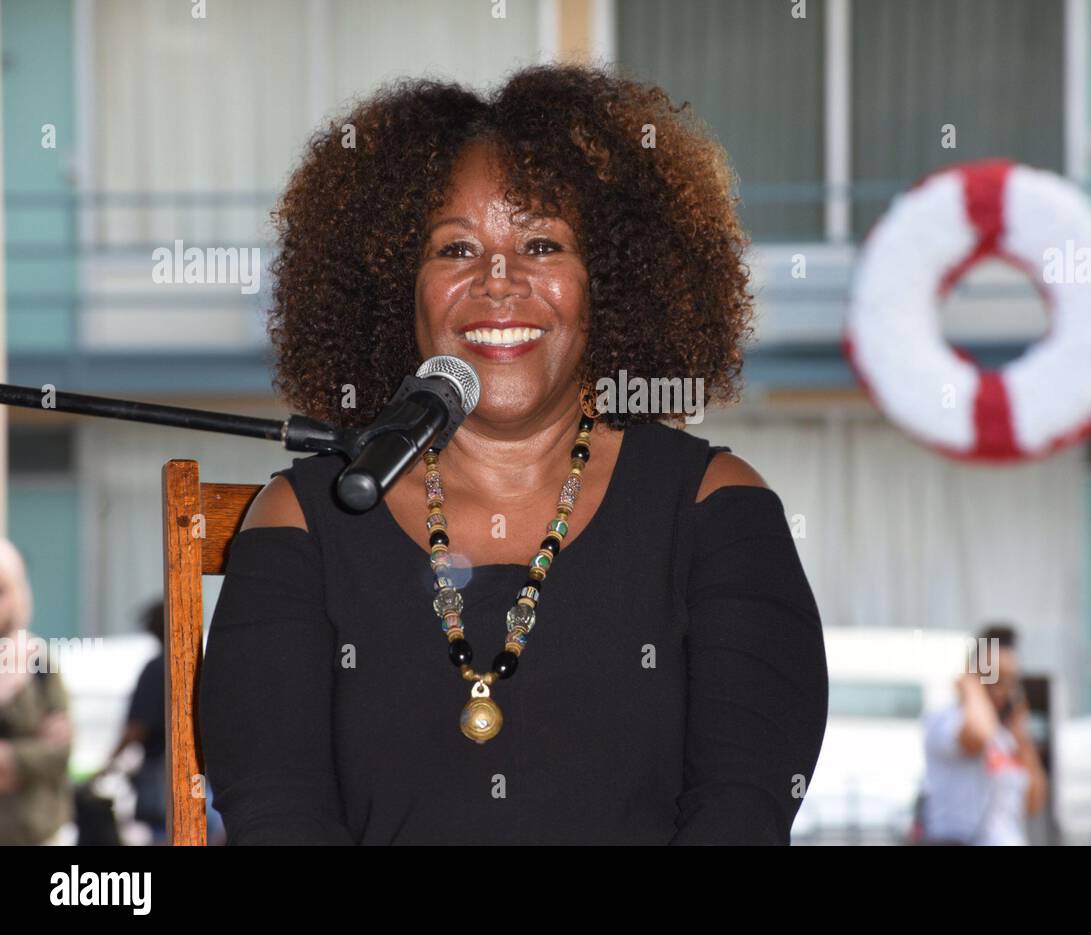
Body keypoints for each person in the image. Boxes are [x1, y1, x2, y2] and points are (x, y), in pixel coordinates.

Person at [198, 64, 830, 845]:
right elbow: (275, 814)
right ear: (399, 287)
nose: (499, 282)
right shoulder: (304, 514)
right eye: (455, 248)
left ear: (611, 283)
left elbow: (743, 811)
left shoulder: (713, 509)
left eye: (540, 243)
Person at [918, 624, 1047, 845]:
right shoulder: (945, 721)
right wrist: (971, 687)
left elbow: (1034, 803)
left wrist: (1023, 739)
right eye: (994, 677)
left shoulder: (1007, 737)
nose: (1001, 690)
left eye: (1010, 681)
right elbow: (978, 736)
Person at [0, 538, 74, 845]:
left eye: (4, 590)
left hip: (40, 832)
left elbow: (61, 750)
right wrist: (33, 749)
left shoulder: (39, 662)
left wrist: (11, 757)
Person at [96, 598, 167, 843]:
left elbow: (138, 727)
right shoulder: (194, 662)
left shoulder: (157, 669)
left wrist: (108, 765)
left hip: (165, 776)